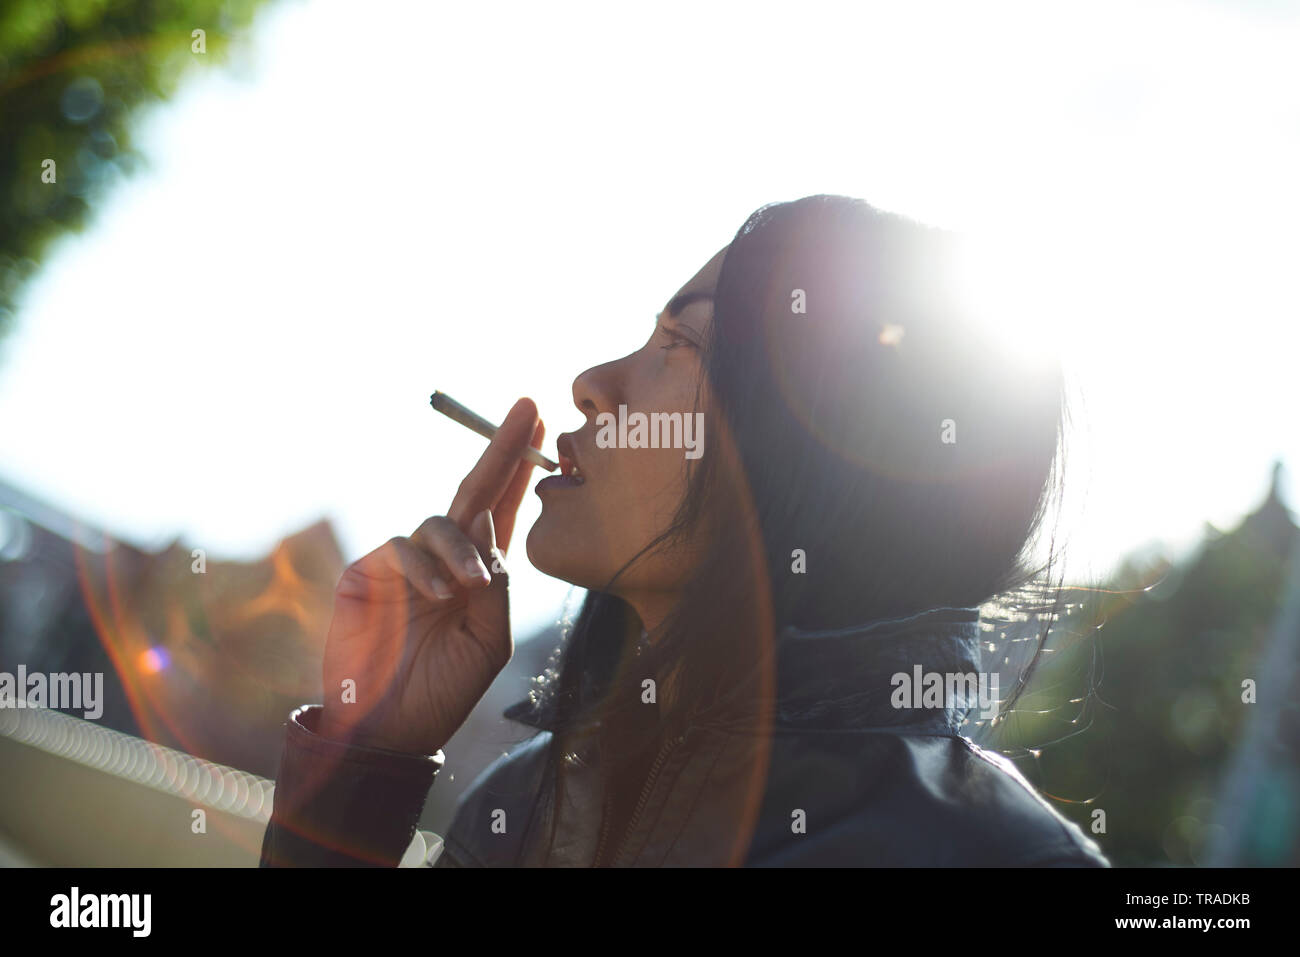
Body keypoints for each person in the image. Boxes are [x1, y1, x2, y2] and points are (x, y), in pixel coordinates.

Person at [260, 194, 1109, 867]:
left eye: (680, 341)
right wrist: (367, 757)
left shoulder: (996, 858)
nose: (591, 384)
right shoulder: (523, 808)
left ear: (814, 443)